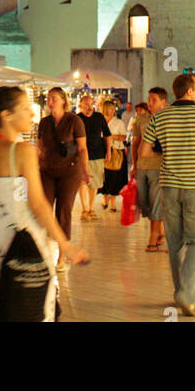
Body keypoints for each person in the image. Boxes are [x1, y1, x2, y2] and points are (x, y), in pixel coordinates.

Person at [0, 87, 89, 321]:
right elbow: (39, 206)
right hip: (25, 251)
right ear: (7, 115)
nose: (32, 114)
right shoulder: (21, 152)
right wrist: (65, 246)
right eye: (25, 108)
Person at [137, 72, 195, 318]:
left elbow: (144, 151)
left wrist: (166, 156)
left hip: (169, 186)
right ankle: (186, 295)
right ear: (190, 91)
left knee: (174, 242)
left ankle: (179, 291)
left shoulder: (160, 116)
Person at [37, 87, 89, 266]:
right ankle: (42, 251)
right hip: (46, 171)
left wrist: (85, 170)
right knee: (44, 207)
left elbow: (82, 148)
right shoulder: (44, 123)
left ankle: (61, 253)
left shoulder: (74, 121)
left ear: (63, 101)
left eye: (54, 99)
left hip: (69, 171)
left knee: (64, 210)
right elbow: (39, 147)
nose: (50, 102)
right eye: (48, 99)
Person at [131, 89, 166, 252]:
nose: (149, 103)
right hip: (142, 166)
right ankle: (160, 230)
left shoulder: (168, 119)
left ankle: (153, 237)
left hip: (159, 167)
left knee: (155, 201)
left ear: (163, 102)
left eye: (154, 100)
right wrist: (134, 164)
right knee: (144, 202)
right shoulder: (141, 119)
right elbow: (135, 143)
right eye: (149, 99)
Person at [77, 92, 110, 221]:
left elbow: (107, 135)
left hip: (97, 154)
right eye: (86, 104)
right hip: (81, 156)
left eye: (91, 104)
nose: (89, 107)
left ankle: (90, 208)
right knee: (83, 182)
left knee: (95, 183)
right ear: (80, 106)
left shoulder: (99, 117)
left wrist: (109, 151)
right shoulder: (77, 118)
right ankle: (84, 209)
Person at [100, 97, 128, 212]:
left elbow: (124, 137)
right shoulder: (100, 121)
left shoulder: (119, 122)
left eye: (112, 109)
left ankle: (113, 203)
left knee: (115, 177)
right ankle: (105, 198)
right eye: (108, 109)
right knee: (104, 177)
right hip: (102, 151)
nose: (111, 111)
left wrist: (112, 137)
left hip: (116, 150)